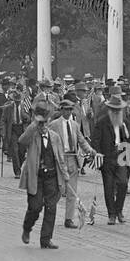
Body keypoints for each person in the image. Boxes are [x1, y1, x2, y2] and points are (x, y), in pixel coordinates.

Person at [19, 105, 68, 248]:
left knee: (51, 208)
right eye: (41, 123)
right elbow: (22, 141)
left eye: (45, 122)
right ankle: (27, 228)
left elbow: (60, 158)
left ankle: (46, 239)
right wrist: (34, 124)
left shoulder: (55, 137)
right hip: (36, 177)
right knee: (35, 207)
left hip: (52, 176)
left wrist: (65, 177)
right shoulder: (32, 135)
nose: (43, 126)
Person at [52, 96, 97, 230]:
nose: (69, 112)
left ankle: (68, 219)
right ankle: (50, 215)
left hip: (72, 159)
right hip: (60, 160)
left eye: (71, 109)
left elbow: (81, 141)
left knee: (72, 192)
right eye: (66, 109)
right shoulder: (54, 124)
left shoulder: (75, 125)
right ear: (61, 110)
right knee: (58, 190)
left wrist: (91, 151)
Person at [92, 93, 130, 224]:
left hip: (121, 154)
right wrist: (97, 154)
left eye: (119, 109)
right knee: (108, 187)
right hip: (107, 156)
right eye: (114, 109)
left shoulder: (125, 122)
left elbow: (129, 140)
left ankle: (119, 210)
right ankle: (112, 214)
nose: (117, 112)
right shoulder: (102, 122)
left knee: (123, 183)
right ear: (110, 109)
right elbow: (96, 140)